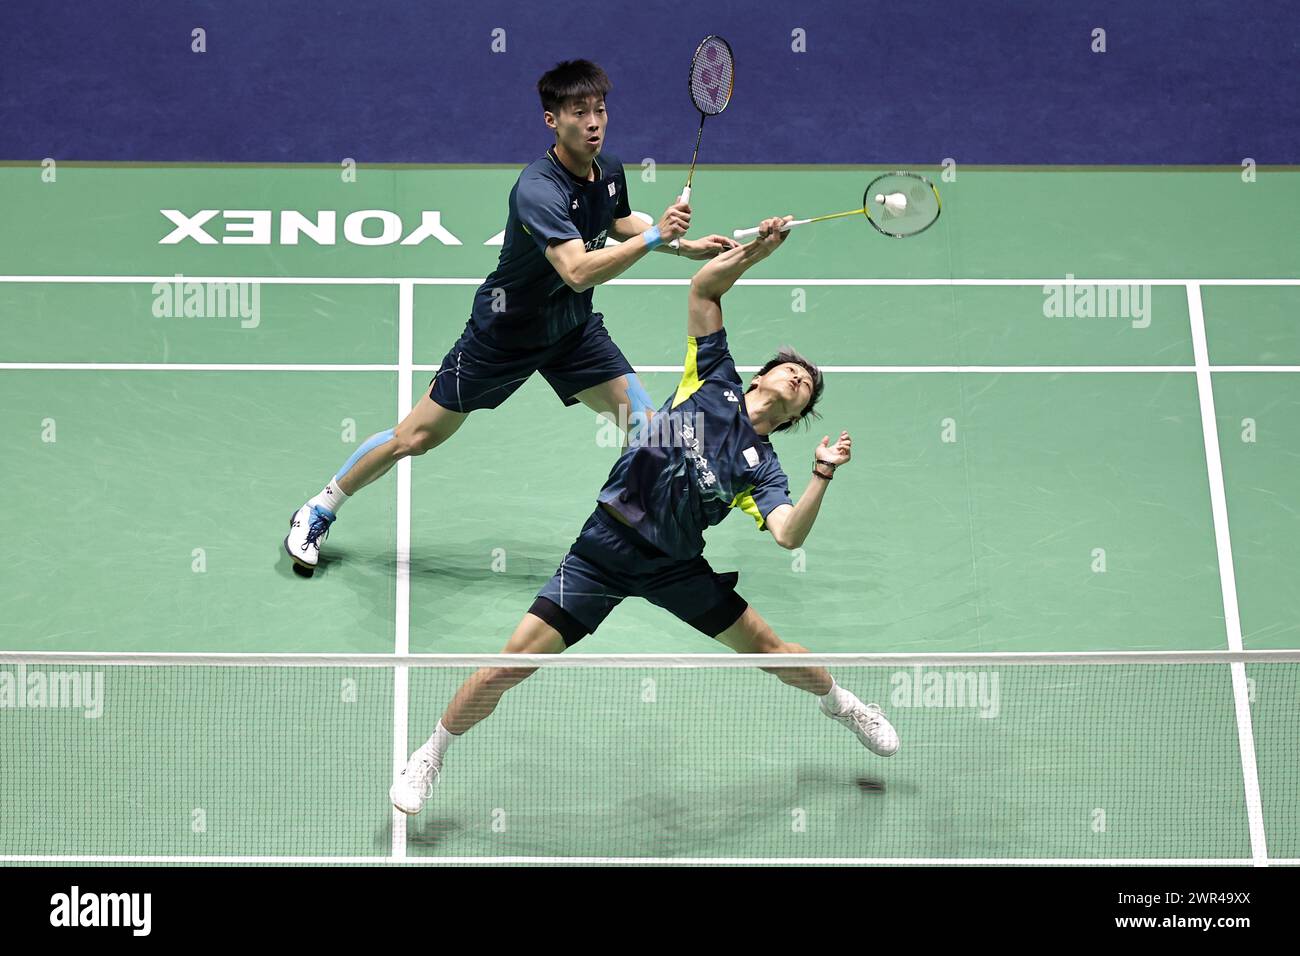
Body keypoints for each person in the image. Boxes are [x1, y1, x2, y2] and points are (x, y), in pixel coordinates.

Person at [390, 215, 900, 816]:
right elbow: (704, 290)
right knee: (509, 666)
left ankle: (841, 703)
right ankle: (431, 753)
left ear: (797, 414)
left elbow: (788, 533)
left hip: (674, 567)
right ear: (762, 375)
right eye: (792, 367)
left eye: (808, 384)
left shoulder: (761, 466)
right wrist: (759, 249)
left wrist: (821, 474)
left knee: (772, 648)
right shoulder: (714, 381)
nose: (799, 375)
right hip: (603, 549)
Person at [284, 59, 735, 572]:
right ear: (552, 120)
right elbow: (578, 271)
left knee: (650, 430)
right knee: (415, 437)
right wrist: (657, 236)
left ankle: (643, 537)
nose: (593, 122)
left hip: (571, 330)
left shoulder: (608, 169)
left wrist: (682, 245)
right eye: (579, 112)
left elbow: (617, 220)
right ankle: (319, 507)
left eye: (600, 110)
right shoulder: (538, 189)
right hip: (504, 335)